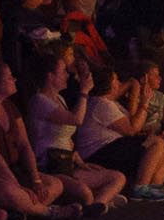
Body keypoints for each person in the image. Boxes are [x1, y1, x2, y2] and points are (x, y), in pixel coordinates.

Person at [0, 60, 84, 220]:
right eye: (10, 77)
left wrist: (36, 180)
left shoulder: (10, 107)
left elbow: (24, 145)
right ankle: (49, 212)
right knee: (11, 192)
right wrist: (17, 185)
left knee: (55, 184)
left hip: (14, 169)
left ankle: (25, 210)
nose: (14, 80)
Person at [23, 51, 126, 209]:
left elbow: (67, 138)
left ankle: (98, 204)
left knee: (117, 177)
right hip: (50, 165)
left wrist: (81, 162)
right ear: (50, 76)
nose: (67, 75)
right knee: (84, 194)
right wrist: (84, 91)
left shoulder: (59, 99)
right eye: (63, 71)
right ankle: (99, 200)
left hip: (66, 162)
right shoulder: (40, 101)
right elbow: (76, 120)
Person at [78, 63, 164, 199]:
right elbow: (131, 130)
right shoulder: (101, 104)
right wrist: (144, 103)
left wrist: (136, 91)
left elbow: (133, 122)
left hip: (111, 147)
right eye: (116, 80)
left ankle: (152, 189)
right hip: (100, 152)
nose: (119, 83)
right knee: (156, 143)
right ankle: (140, 188)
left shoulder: (111, 103)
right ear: (109, 85)